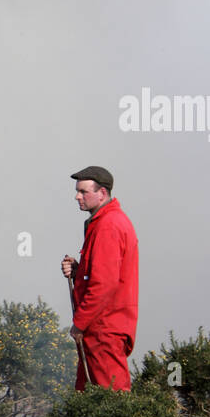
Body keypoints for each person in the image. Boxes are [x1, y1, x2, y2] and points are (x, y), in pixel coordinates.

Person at [60, 166, 138, 390]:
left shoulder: (108, 225)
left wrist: (79, 324)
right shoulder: (106, 222)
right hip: (102, 328)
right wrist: (77, 272)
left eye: (83, 192)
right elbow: (100, 276)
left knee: (110, 402)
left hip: (104, 329)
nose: (77, 196)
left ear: (102, 193)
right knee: (90, 402)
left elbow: (104, 285)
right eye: (78, 191)